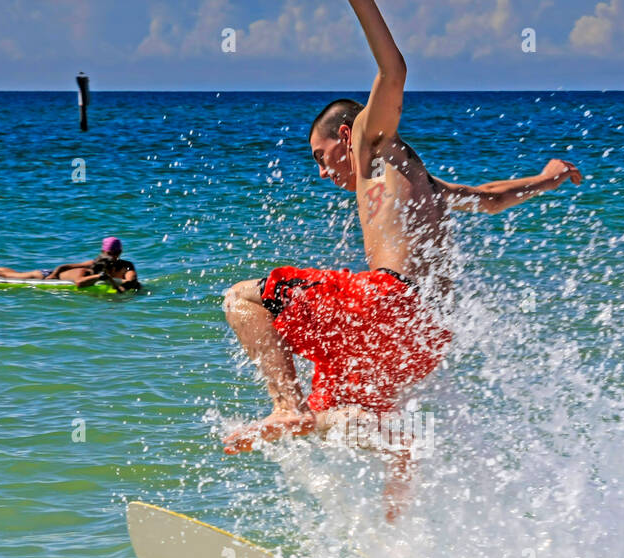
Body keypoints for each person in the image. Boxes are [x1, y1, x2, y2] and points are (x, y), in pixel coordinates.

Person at [221, 0, 580, 516]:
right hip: (424, 336)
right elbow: (494, 197)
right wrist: (548, 178)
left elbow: (393, 70)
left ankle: (283, 407)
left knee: (242, 300)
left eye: (322, 157)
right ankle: (397, 455)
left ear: (346, 136)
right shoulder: (422, 184)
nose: (324, 174)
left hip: (390, 302)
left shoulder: (371, 142)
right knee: (333, 415)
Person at [0, 237, 140, 290]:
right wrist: (54, 277)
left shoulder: (127, 265)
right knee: (7, 276)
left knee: (12, 272)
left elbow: (131, 281)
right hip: (46, 275)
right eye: (110, 253)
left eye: (113, 253)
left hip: (52, 274)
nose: (112, 256)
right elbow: (67, 269)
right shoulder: (92, 266)